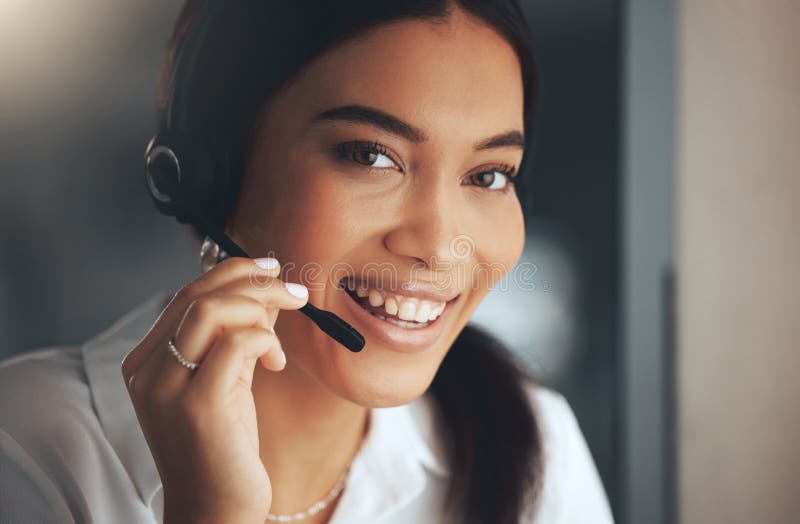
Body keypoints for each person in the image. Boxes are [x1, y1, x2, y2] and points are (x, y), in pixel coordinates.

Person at [0, 1, 614, 523]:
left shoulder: (531, 437)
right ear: (212, 179)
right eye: (371, 156)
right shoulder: (27, 442)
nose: (437, 243)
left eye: (488, 174)